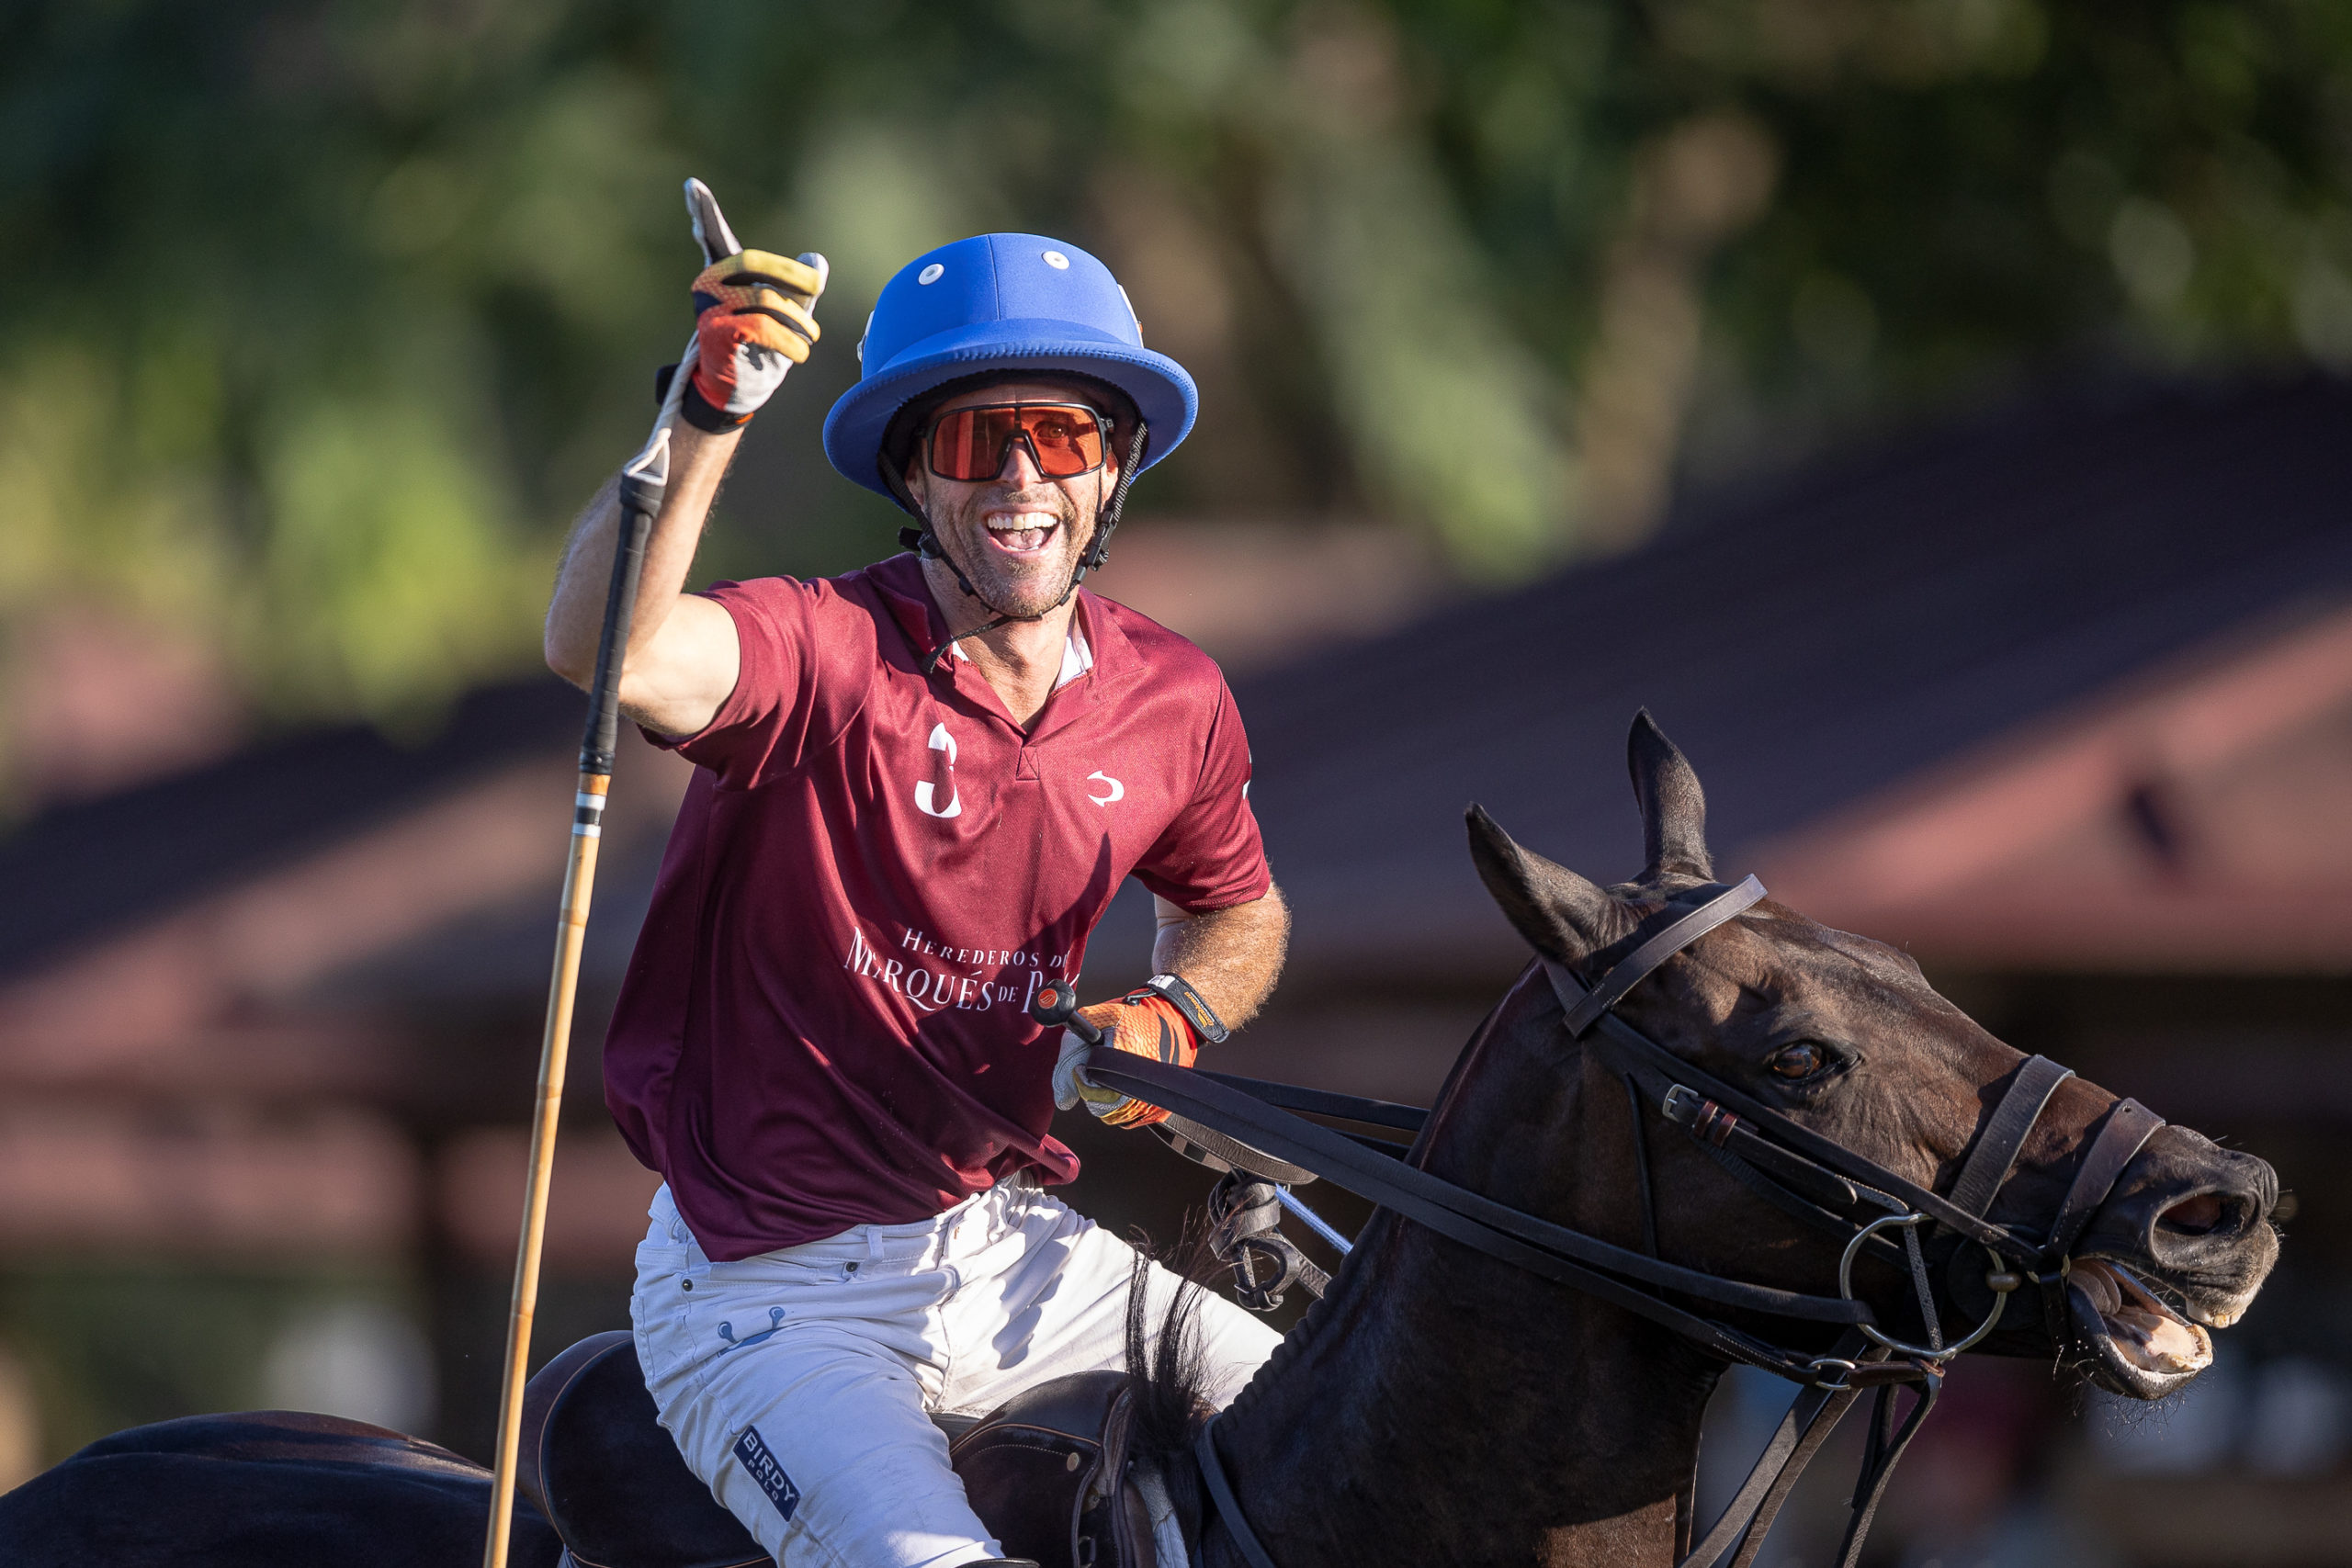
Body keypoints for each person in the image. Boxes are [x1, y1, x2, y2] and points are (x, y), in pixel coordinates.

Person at [544, 228, 1291, 1568]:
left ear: (1113, 468)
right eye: (973, 442)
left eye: (1060, 438)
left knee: (1338, 1448)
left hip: (1009, 1247)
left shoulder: (1175, 698)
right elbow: (611, 649)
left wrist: (1175, 1016)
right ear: (912, 473)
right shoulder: (827, 655)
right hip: (764, 1287)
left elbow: (1239, 915)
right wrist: (708, 407)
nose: (1019, 478)